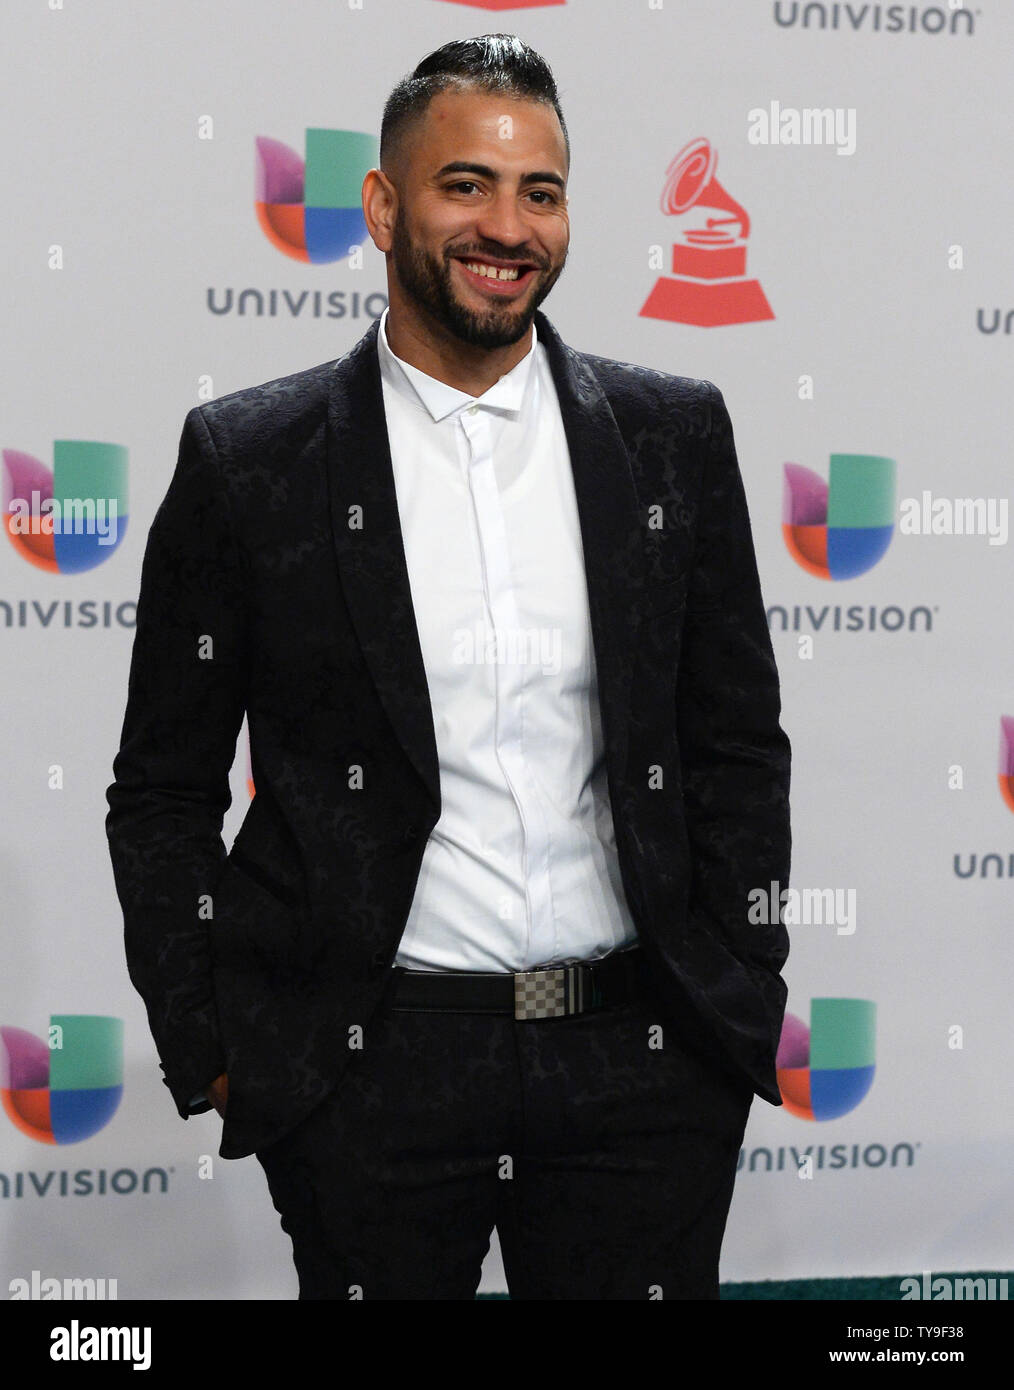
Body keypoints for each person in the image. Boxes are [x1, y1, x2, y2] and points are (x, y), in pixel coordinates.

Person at [105, 33, 790, 1301]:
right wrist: (207, 1040)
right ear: (382, 204)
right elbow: (162, 786)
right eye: (465, 184)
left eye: (542, 191)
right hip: (375, 1071)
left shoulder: (671, 437)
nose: (508, 227)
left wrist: (744, 985)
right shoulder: (250, 459)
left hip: (640, 1063)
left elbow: (736, 742)